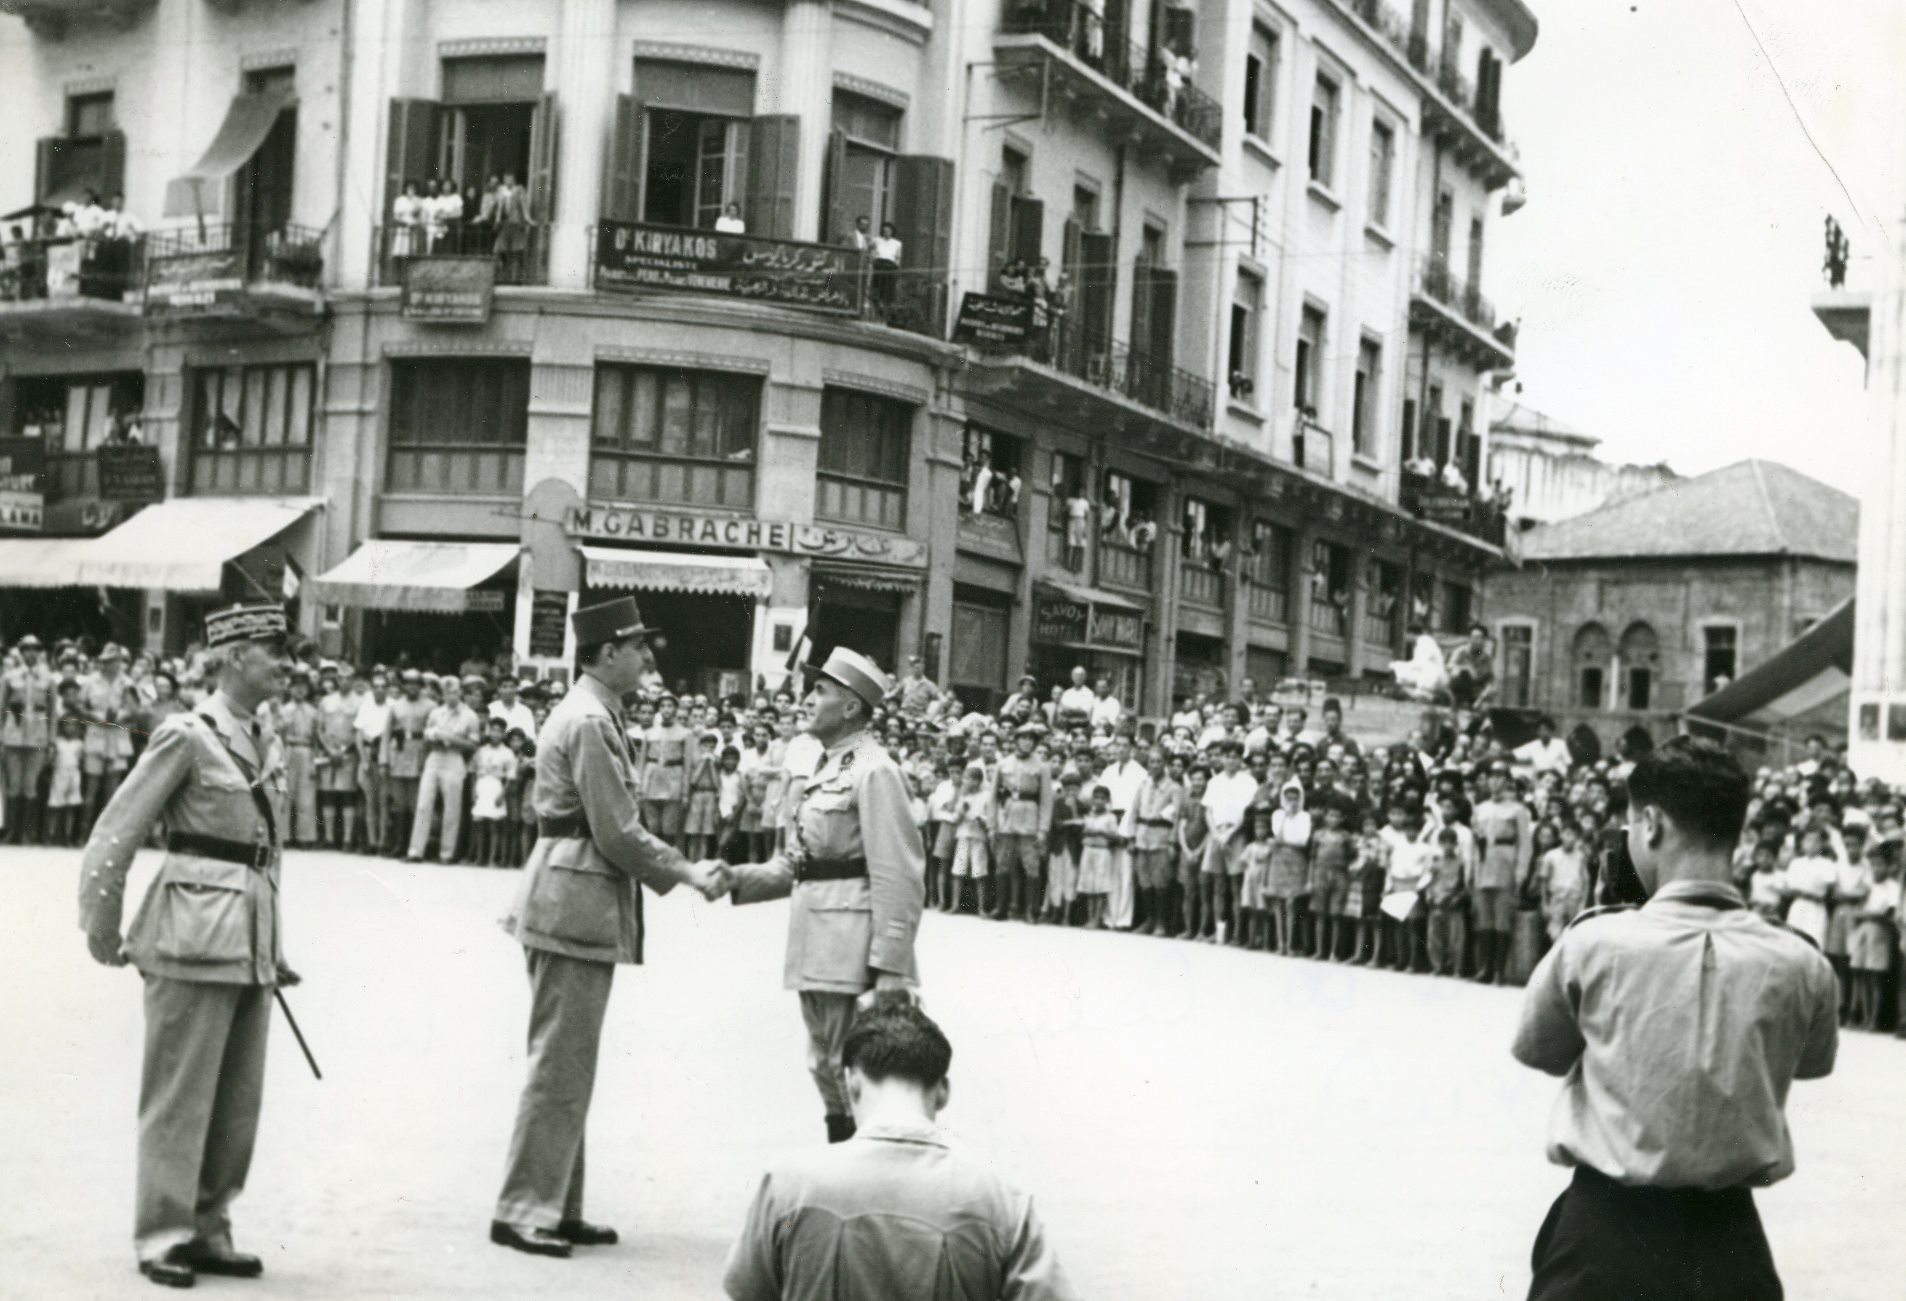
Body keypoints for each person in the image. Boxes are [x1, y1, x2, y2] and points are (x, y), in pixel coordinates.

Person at [1512, 737, 1838, 1301]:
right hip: (1730, 1241)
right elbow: (1811, 1063)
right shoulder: (1801, 960)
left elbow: (1539, 1049)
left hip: (1605, 1234)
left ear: (1652, 825)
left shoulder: (1594, 941)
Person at [492, 596, 728, 1258]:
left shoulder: (598, 713)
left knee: (570, 1062)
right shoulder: (591, 721)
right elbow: (618, 832)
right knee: (558, 1063)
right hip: (573, 899)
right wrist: (687, 871)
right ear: (604, 654)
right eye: (637, 646)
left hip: (576, 897)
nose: (649, 657)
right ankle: (522, 1207)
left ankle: (556, 1203)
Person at [77, 603, 297, 1288]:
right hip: (188, 935)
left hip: (248, 943)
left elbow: (264, 854)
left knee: (236, 1099)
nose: (286, 663)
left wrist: (272, 943)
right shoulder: (187, 734)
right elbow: (116, 832)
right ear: (234, 657)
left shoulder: (265, 737)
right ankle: (163, 1233)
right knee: (179, 1094)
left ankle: (209, 1225)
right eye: (273, 650)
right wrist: (103, 927)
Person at [721, 1003, 1077, 1301]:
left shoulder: (788, 1184)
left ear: (851, 1083)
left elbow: (744, 1292)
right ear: (943, 1091)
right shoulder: (1001, 1198)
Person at [727, 646, 928, 1145]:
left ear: (851, 707)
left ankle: (865, 1167)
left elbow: (899, 874)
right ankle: (843, 1154)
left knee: (850, 1063)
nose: (807, 699)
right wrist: (734, 880)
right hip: (816, 937)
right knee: (824, 1061)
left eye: (820, 690)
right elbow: (803, 861)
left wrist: (891, 967)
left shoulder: (874, 768)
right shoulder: (826, 765)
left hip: (851, 943)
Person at [408, 674, 479, 863]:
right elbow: (426, 735)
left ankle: (446, 853)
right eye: (447, 693)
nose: (451, 696)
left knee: (451, 807)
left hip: (454, 758)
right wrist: (432, 737)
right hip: (435, 756)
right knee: (424, 804)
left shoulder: (469, 716)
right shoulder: (436, 713)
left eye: (455, 692)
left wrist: (449, 738)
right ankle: (416, 851)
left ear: (461, 693)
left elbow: (473, 744)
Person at [2, 632, 57, 843]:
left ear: (39, 653)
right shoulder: (10, 677)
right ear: (21, 652)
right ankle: (11, 831)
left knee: (30, 786)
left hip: (37, 738)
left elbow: (53, 713)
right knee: (13, 785)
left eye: (34, 649)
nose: (30, 653)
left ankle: (26, 832)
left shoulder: (48, 679)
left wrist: (51, 741)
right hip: (13, 737)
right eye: (26, 649)